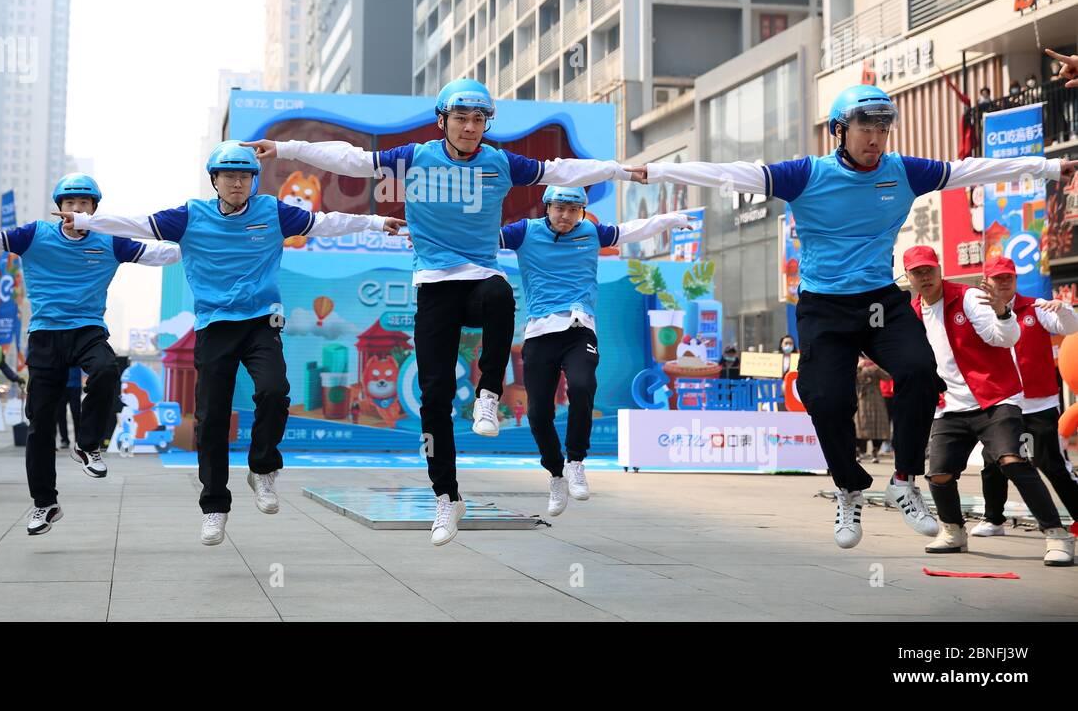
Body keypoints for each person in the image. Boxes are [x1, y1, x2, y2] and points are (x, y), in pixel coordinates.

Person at [640, 83, 1078, 549]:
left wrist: (1047, 165)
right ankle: (848, 488)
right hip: (824, 304)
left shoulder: (903, 172)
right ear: (839, 131)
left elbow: (968, 169)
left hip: (878, 300)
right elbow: (733, 172)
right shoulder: (806, 174)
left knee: (920, 371)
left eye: (883, 127)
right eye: (865, 127)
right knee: (823, 397)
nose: (875, 137)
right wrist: (653, 171)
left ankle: (905, 480)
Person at [242, 78, 647, 545]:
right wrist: (285, 146)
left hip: (478, 279)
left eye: (479, 119)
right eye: (461, 118)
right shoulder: (415, 157)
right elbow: (350, 159)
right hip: (435, 287)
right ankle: (446, 496)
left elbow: (560, 172)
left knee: (499, 290)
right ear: (443, 121)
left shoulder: (500, 162)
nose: (471, 127)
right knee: (433, 398)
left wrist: (617, 171)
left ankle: (489, 394)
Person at [56, 142, 404, 547]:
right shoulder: (190, 215)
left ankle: (263, 468)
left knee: (275, 393)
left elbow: (324, 223)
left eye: (245, 176)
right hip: (215, 326)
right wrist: (84, 220)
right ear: (215, 181)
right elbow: (136, 223)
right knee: (213, 418)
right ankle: (215, 507)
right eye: (229, 176)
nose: (237, 182)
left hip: (260, 322)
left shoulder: (272, 211)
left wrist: (376, 224)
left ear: (254, 180)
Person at [0, 173, 182, 536]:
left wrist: (199, 241)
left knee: (107, 370)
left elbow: (160, 253)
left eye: (84, 205)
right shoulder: (35, 235)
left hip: (88, 330)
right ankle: (45, 504)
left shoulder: (109, 241)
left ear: (95, 210)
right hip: (45, 334)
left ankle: (88, 445)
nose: (76, 210)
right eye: (70, 204)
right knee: (41, 426)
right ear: (59, 208)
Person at [500, 186, 691, 515]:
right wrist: (432, 239)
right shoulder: (524, 232)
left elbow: (631, 230)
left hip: (579, 329)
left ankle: (575, 462)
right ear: (547, 207)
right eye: (559, 208)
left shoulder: (590, 232)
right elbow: (480, 238)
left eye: (574, 210)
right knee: (538, 413)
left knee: (584, 385)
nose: (565, 216)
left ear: (583, 212)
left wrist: (669, 219)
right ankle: (556, 473)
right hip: (540, 332)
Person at [905, 248, 1073, 564]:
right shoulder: (914, 311)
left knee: (1013, 460)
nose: (925, 277)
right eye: (917, 273)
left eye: (929, 270)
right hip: (950, 405)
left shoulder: (968, 298)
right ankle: (954, 530)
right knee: (938, 474)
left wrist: (1002, 313)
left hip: (996, 397)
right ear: (909, 277)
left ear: (939, 269)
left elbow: (1005, 339)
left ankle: (1057, 535)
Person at [969, 258, 1078, 540]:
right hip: (1001, 403)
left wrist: (1063, 309)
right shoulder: (978, 312)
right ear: (986, 281)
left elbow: (1069, 327)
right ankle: (994, 519)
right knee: (993, 463)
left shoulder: (1036, 306)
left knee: (1052, 464)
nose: (1004, 282)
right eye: (998, 277)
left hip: (1038, 404)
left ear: (1016, 279)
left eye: (1009, 277)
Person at [854, 358, 889, 463]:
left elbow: (888, 377)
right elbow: (848, 377)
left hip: (876, 400)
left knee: (878, 427)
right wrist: (859, 366)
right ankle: (858, 451)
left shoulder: (875, 365)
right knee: (859, 426)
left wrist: (876, 367)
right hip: (860, 399)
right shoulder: (856, 363)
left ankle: (875, 451)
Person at [56, 367, 83, 450]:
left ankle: (78, 439)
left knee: (76, 413)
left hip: (75, 385)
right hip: (61, 385)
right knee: (61, 414)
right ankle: (64, 440)